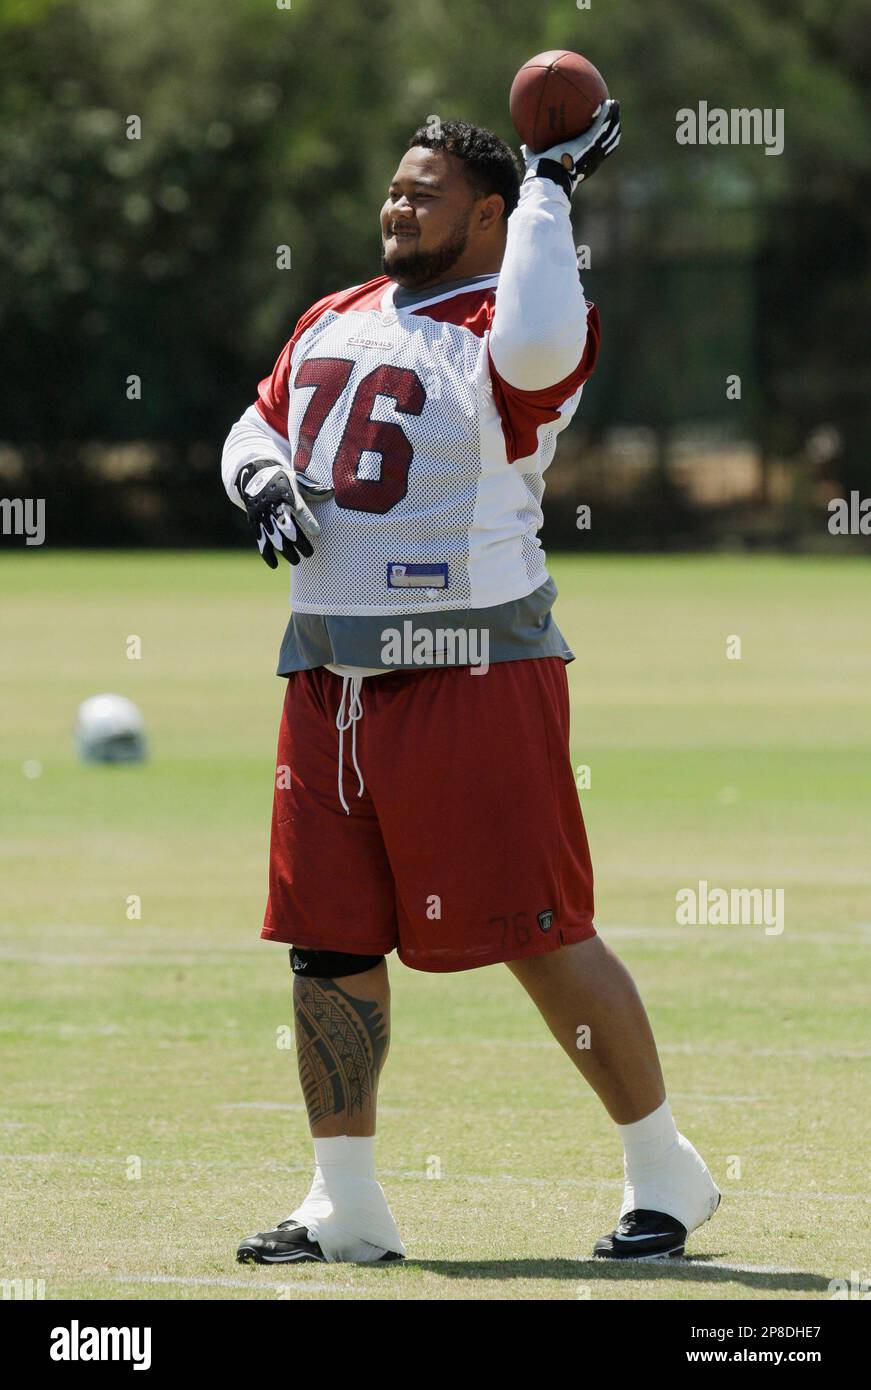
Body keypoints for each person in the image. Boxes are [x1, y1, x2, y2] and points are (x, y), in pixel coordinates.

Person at [220, 103, 720, 1265]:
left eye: (425, 191)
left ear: (489, 214)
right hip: (328, 674)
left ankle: (667, 1170)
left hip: (472, 668)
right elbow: (259, 415)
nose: (397, 205)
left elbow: (542, 343)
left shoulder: (517, 320)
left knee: (539, 932)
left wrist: (550, 183)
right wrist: (259, 479)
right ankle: (344, 1200)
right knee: (326, 942)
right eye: (394, 188)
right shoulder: (336, 310)